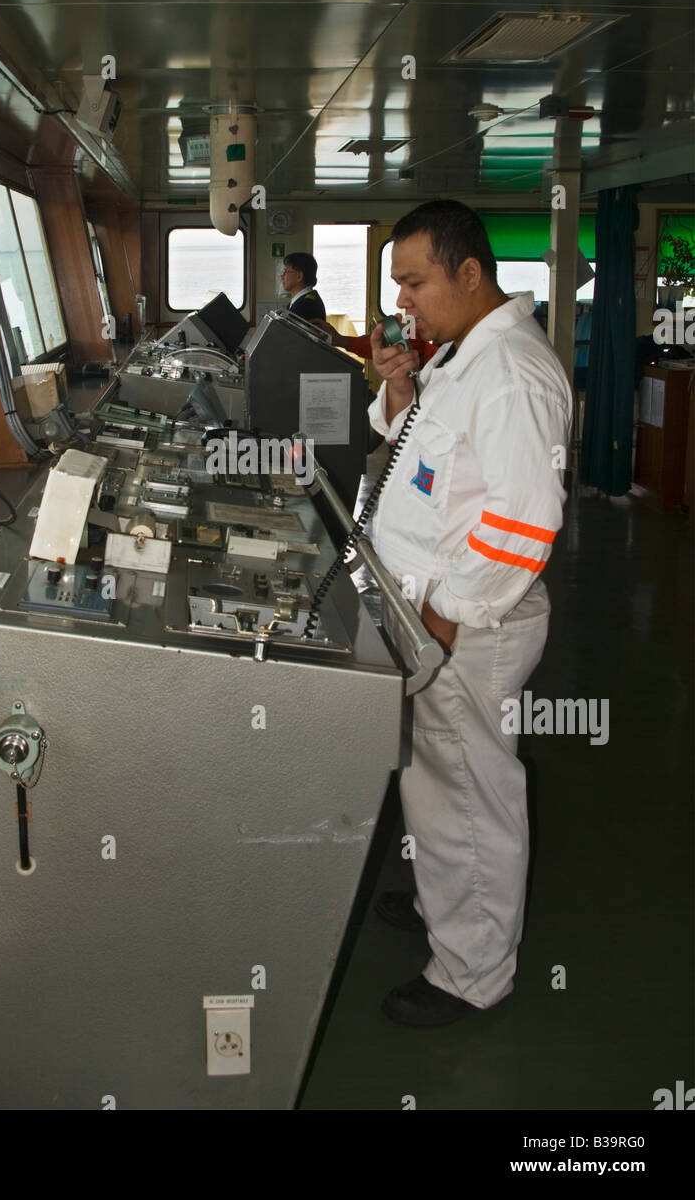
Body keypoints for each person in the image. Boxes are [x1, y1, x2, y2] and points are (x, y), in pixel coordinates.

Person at [368, 200, 572, 1027]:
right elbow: (427, 463)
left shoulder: (515, 374)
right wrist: (401, 385)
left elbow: (523, 527)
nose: (403, 300)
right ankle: (441, 902)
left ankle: (473, 971)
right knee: (434, 786)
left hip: (471, 625)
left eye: (414, 282)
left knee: (468, 795)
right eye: (397, 285)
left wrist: (443, 625)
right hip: (436, 613)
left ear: (469, 272)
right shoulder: (463, 356)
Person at [280, 253, 326, 321]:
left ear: (299, 276)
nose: (282, 277)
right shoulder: (304, 300)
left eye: (286, 272)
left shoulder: (305, 305)